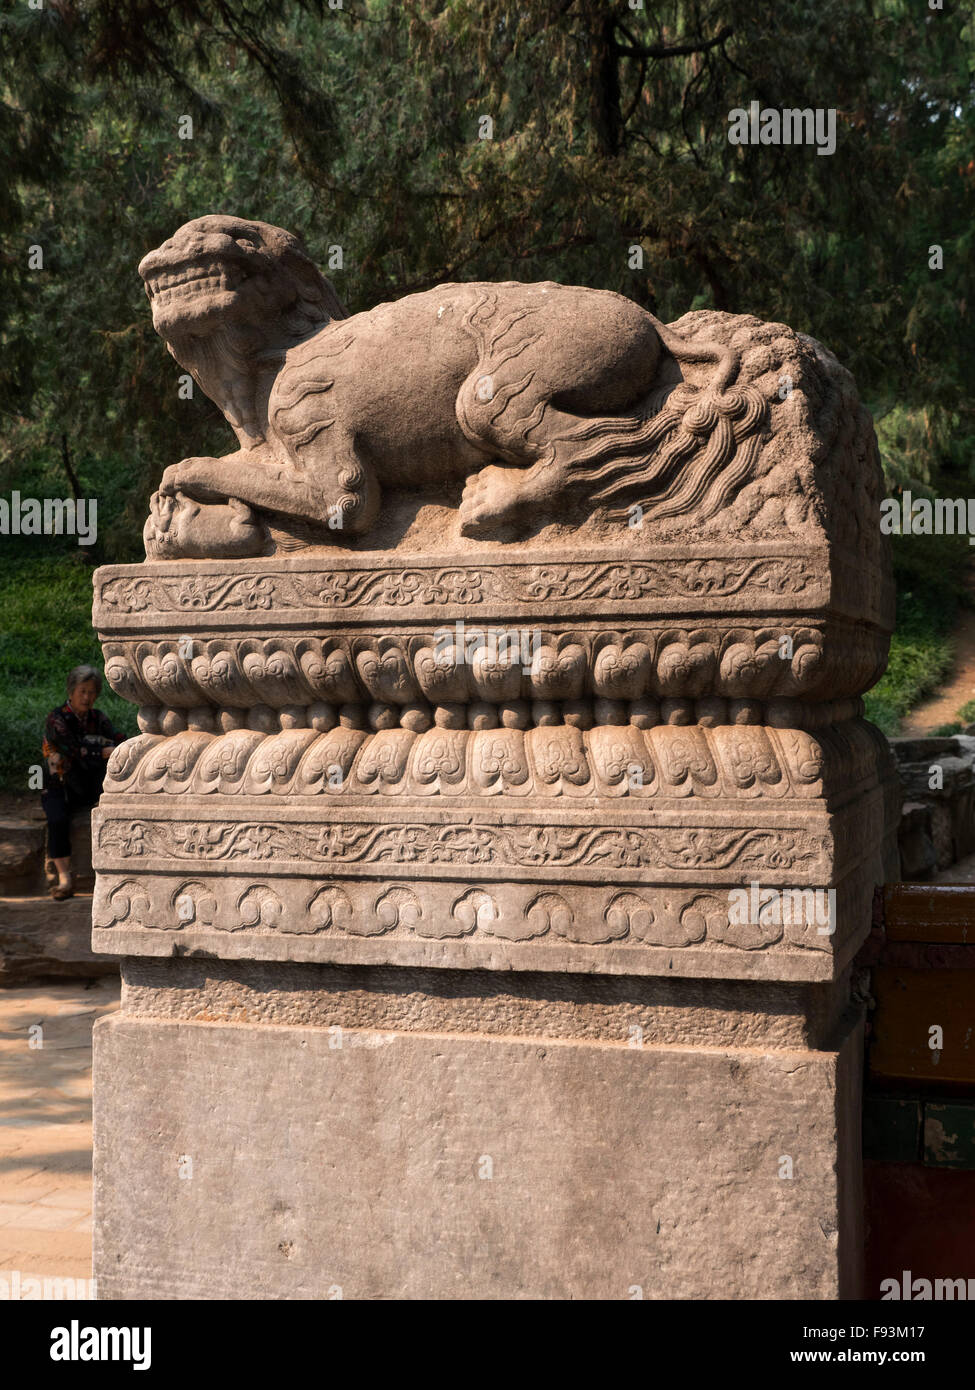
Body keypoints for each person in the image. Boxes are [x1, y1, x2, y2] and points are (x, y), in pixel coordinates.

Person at [41, 665, 125, 900]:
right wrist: (102, 751)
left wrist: (117, 749)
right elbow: (73, 750)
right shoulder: (56, 719)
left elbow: (121, 740)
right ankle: (65, 878)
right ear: (71, 691)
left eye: (91, 692)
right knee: (57, 819)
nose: (87, 697)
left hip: (89, 783)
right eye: (82, 691)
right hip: (59, 783)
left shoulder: (99, 718)